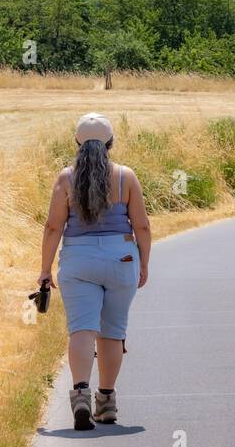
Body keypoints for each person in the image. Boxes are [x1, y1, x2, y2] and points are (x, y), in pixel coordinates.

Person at [39, 113, 152, 430]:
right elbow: (141, 225)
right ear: (111, 144)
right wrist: (144, 263)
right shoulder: (125, 177)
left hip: (78, 261)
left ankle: (80, 396)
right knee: (113, 332)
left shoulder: (65, 179)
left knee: (82, 330)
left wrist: (45, 270)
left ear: (77, 144)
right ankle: (107, 401)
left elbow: (52, 227)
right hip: (121, 260)